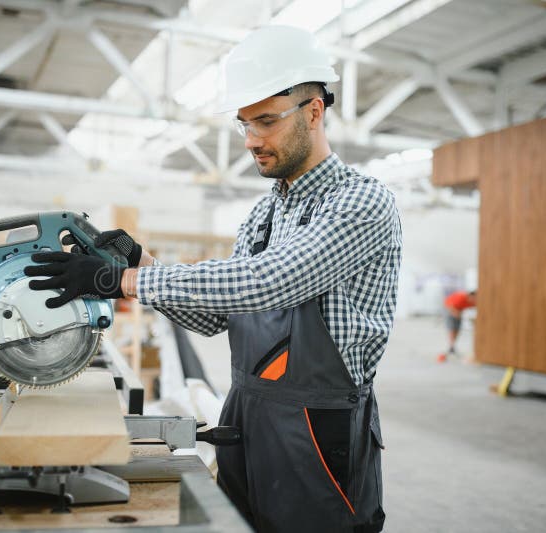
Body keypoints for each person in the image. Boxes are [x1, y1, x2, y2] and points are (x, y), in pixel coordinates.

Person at [24, 25, 402, 533]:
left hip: (317, 433)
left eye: (265, 121)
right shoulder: (263, 216)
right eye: (243, 124)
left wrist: (125, 282)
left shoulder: (360, 202)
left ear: (314, 111)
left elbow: (273, 279)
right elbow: (211, 317)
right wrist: (140, 261)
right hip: (246, 418)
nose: (250, 141)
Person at [443, 289, 477, 356]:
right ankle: (451, 346)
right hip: (450, 308)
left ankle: (452, 345)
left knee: (457, 328)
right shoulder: (461, 297)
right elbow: (451, 307)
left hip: (459, 310)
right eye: (475, 298)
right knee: (452, 328)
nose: (475, 300)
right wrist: (457, 314)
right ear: (470, 296)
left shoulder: (473, 302)